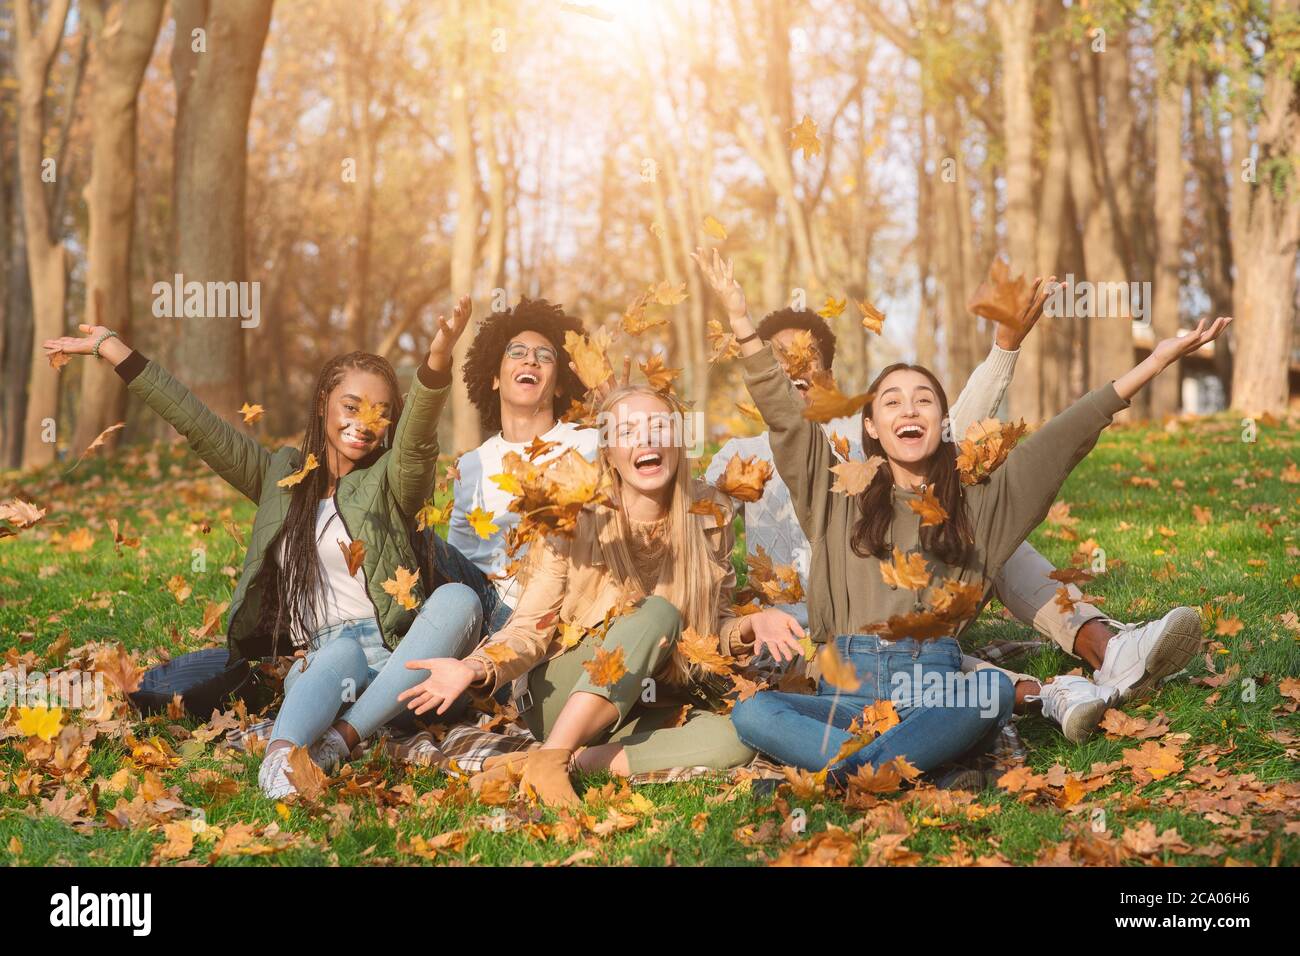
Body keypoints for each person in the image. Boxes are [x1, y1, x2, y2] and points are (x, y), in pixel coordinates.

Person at [693, 247, 1228, 782]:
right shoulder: (835, 495)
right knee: (753, 711)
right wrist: (740, 319)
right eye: (892, 401)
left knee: (991, 690)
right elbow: (785, 416)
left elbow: (1063, 438)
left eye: (923, 400)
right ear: (872, 427)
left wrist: (1153, 364)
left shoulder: (977, 507)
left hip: (936, 691)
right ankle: (909, 769)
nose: (909, 409)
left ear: (942, 423)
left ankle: (865, 773)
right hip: (847, 695)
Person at [43, 300, 487, 800]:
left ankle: (337, 744)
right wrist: (114, 349)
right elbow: (199, 427)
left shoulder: (392, 483)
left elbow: (418, 442)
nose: (364, 422)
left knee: (458, 600)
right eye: (351, 405)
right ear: (323, 403)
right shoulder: (282, 475)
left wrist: (437, 360)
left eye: (381, 413)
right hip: (324, 667)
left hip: (400, 676)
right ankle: (281, 761)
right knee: (339, 651)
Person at [397, 384, 804, 806]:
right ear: (609, 452)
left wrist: (751, 625)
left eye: (658, 427)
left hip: (647, 696)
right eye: (627, 431)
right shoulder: (575, 518)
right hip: (562, 692)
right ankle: (554, 753)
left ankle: (550, 763)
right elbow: (528, 629)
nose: (645, 439)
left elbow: (707, 630)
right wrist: (475, 667)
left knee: (735, 739)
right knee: (656, 613)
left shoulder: (708, 512)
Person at [429, 298, 599, 634]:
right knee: (418, 539)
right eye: (517, 352)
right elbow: (460, 561)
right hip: (491, 610)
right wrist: (440, 354)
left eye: (545, 355)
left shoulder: (589, 444)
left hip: (559, 613)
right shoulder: (472, 464)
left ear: (561, 382)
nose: (531, 359)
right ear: (494, 377)